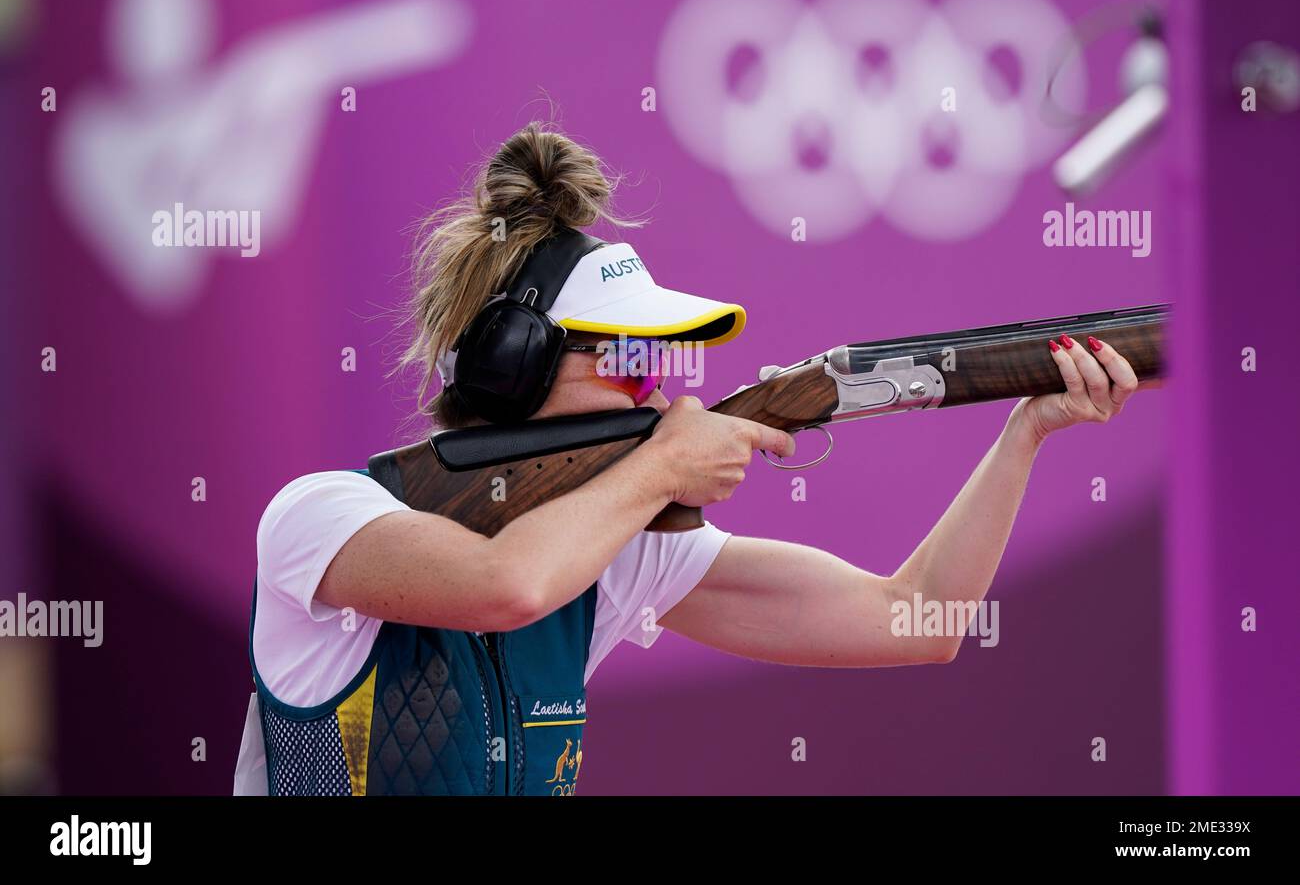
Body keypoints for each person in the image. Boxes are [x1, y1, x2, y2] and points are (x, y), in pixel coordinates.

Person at [234, 122, 1147, 796]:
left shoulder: (622, 548)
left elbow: (917, 620)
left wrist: (1025, 431)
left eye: (659, 359)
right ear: (513, 367)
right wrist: (664, 471)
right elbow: (503, 584)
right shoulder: (323, 516)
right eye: (625, 356)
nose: (659, 389)